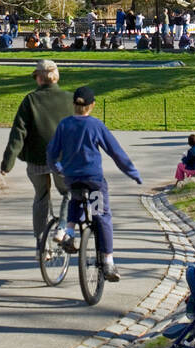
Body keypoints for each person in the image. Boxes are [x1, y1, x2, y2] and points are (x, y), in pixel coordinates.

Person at [48, 86, 142, 281]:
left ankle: (70, 233)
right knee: (102, 215)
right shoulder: (95, 125)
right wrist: (132, 173)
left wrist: (59, 169)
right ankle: (108, 261)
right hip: (93, 181)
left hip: (72, 178)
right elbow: (115, 152)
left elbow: (51, 153)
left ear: (73, 104)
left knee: (75, 200)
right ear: (92, 105)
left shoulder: (64, 125)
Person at [0, 60, 73, 258]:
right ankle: (62, 228)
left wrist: (8, 162)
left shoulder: (30, 100)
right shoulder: (70, 99)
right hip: (62, 159)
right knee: (68, 192)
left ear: (39, 78)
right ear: (56, 77)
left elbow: (18, 132)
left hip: (37, 159)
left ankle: (42, 246)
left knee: (41, 196)